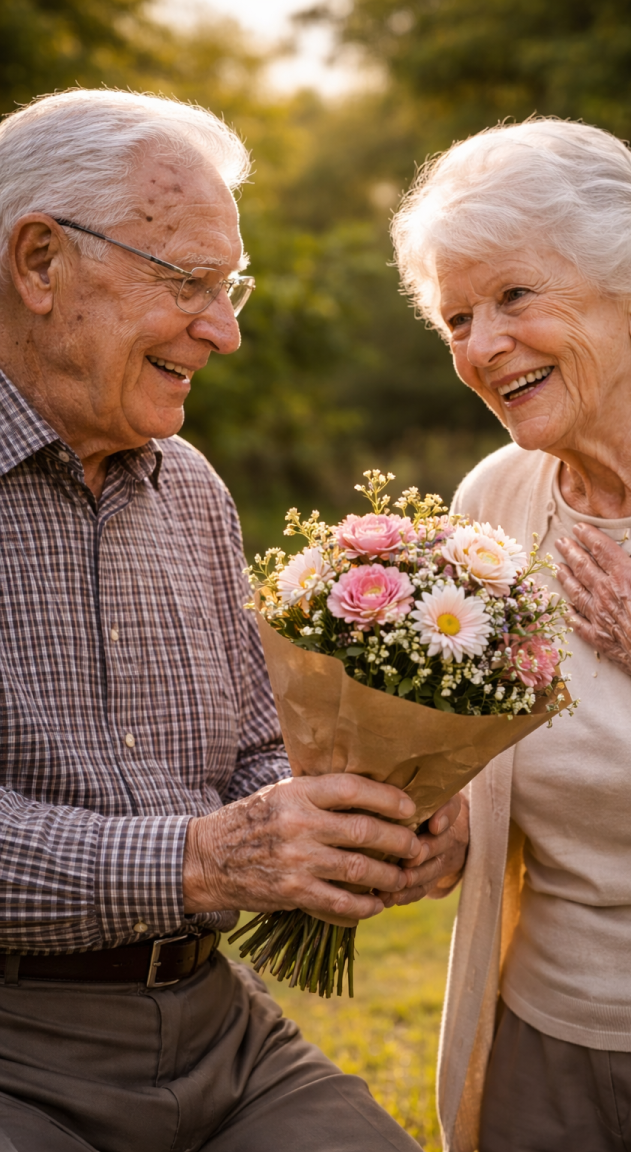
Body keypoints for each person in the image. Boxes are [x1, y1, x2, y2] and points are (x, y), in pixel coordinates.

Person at [0, 88, 465, 1152]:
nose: (228, 331)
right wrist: (205, 860)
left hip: (221, 1025)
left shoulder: (193, 486)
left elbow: (258, 749)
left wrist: (361, 820)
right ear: (39, 263)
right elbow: (212, 846)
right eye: (190, 284)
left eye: (230, 286)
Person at [390, 117, 631, 1152]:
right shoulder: (494, 498)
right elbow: (499, 770)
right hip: (537, 1062)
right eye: (457, 316)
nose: (480, 345)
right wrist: (440, 834)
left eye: (516, 296)